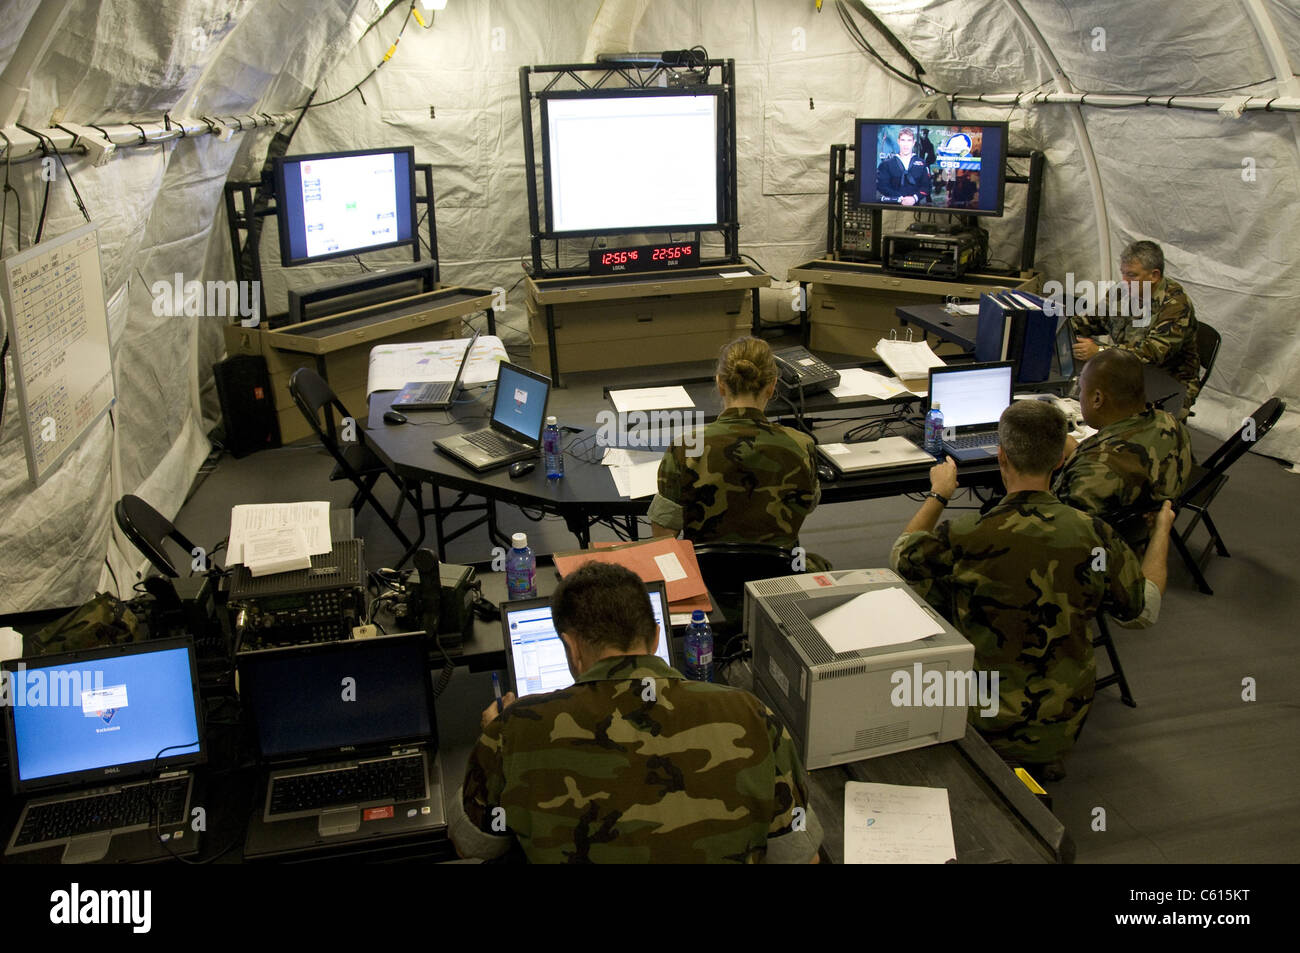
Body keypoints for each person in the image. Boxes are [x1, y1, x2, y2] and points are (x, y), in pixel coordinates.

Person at [448, 561, 823, 863]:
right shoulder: (749, 713)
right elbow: (798, 854)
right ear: (657, 636)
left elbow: (473, 847)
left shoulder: (513, 730)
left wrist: (494, 737)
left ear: (572, 647)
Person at [890, 400, 1175, 778]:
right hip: (1061, 721)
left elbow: (900, 558)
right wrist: (1162, 533)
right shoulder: (1096, 536)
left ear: (1001, 456)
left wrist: (940, 494)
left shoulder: (966, 536)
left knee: (928, 586)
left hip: (977, 716)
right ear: (1060, 460)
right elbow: (1143, 613)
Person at [649, 336, 819, 552]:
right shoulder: (801, 445)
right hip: (778, 576)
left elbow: (662, 536)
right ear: (772, 385)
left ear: (720, 383)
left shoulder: (686, 446)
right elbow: (808, 504)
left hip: (707, 576)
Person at [1054, 348, 1191, 553]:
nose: (1080, 395)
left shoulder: (1094, 472)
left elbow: (1058, 536)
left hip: (1087, 560)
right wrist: (1079, 451)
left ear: (1097, 399)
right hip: (1135, 539)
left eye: (1082, 389)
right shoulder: (1170, 423)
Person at [1072, 240, 1201, 410]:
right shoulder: (1123, 291)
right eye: (1123, 274)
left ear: (1154, 276)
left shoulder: (1175, 305)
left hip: (1168, 381)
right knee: (1080, 394)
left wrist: (1100, 352)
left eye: (1132, 275)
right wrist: (1059, 326)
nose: (1124, 281)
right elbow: (1094, 320)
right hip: (1127, 371)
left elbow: (1152, 353)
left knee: (1106, 409)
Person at [875, 127, 932, 207]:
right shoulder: (886, 164)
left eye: (909, 140)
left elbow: (927, 187)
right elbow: (882, 186)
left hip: (916, 207)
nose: (906, 144)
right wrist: (900, 199)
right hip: (892, 207)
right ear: (898, 141)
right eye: (903, 140)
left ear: (913, 142)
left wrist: (914, 198)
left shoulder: (922, 164)